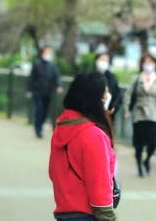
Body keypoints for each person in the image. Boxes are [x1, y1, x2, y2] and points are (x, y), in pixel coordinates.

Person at [49, 71, 117, 221]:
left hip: (64, 213)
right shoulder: (94, 135)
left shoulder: (62, 128)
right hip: (87, 215)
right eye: (105, 91)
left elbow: (53, 172)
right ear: (95, 97)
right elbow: (99, 186)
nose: (107, 95)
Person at [127, 52, 156, 177]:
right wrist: (127, 109)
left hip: (153, 114)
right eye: (146, 63)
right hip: (139, 113)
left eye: (151, 62)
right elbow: (128, 94)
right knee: (138, 143)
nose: (148, 65)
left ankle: (147, 160)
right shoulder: (136, 79)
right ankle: (139, 166)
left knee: (153, 142)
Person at [27, 45, 61, 138]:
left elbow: (56, 78)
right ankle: (38, 129)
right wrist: (29, 90)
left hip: (48, 92)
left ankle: (40, 125)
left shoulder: (53, 66)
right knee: (39, 109)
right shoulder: (37, 64)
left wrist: (57, 86)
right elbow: (31, 78)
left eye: (50, 53)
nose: (48, 54)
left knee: (45, 111)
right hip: (38, 92)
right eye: (47, 52)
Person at [95, 52, 122, 118]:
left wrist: (114, 107)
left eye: (106, 61)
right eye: (102, 60)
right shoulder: (89, 76)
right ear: (96, 61)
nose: (103, 62)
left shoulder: (112, 78)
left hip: (106, 115)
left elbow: (118, 95)